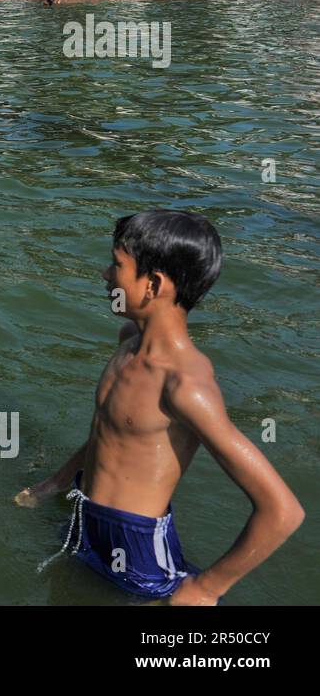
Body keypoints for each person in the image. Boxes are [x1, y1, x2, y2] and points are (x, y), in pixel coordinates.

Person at [17, 210, 305, 604]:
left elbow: (283, 511)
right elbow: (110, 432)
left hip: (139, 555)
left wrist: (206, 589)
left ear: (153, 284)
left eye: (117, 266)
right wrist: (56, 482)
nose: (105, 275)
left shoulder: (186, 387)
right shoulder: (128, 341)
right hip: (85, 518)